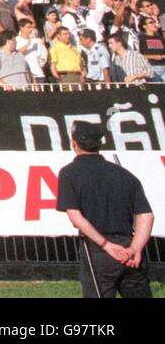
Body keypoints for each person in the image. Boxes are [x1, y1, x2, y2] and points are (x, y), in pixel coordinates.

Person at [56, 121, 154, 299]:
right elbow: (146, 215)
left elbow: (75, 216)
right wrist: (136, 248)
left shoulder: (69, 173)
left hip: (97, 249)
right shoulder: (124, 174)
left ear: (74, 143)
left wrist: (106, 245)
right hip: (129, 248)